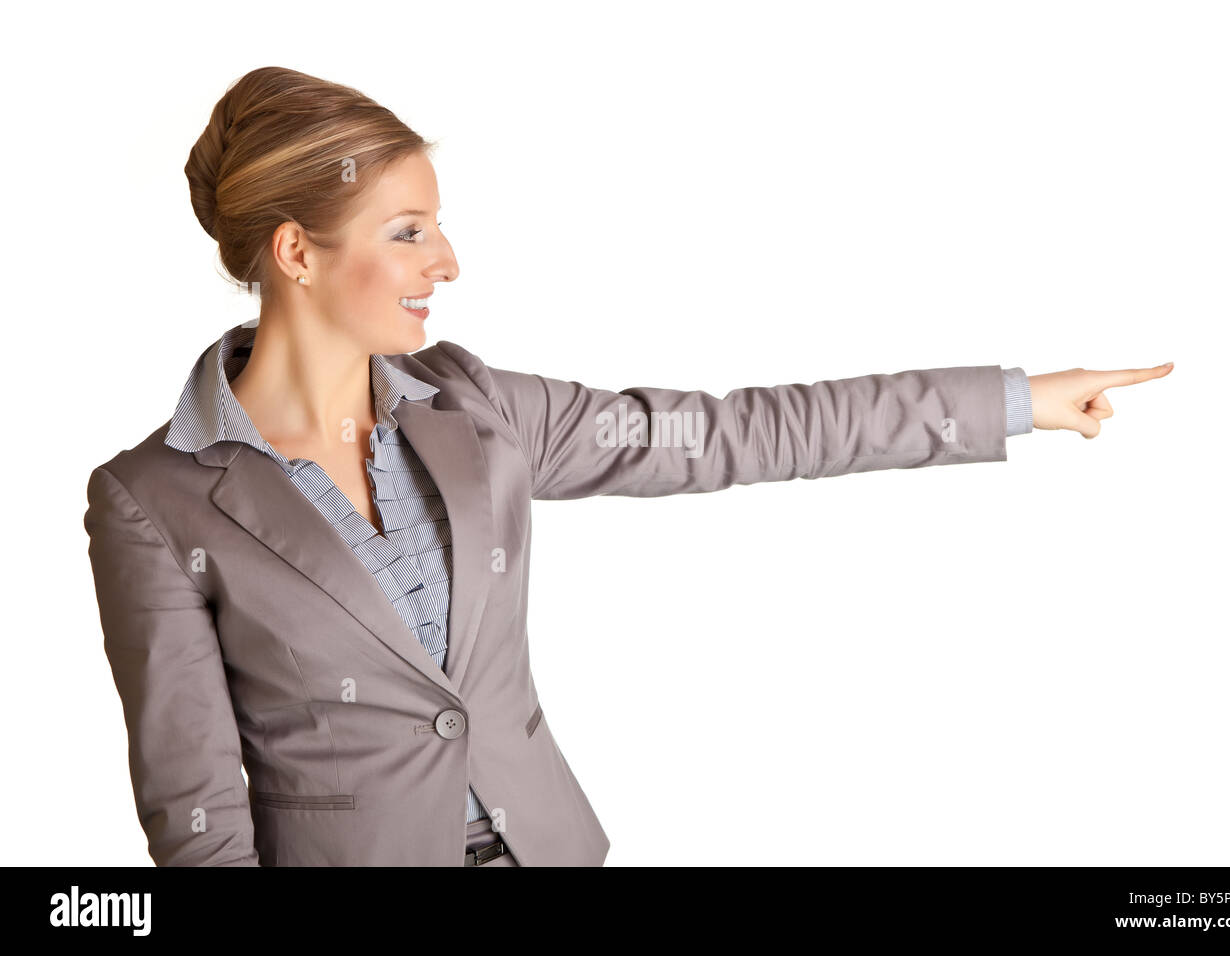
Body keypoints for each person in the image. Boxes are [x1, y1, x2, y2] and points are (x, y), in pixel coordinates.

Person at [83, 66, 1174, 867]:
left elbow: (730, 432)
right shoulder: (155, 500)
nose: (448, 262)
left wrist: (1011, 401)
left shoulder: (476, 405)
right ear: (297, 251)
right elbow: (195, 814)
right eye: (409, 231)